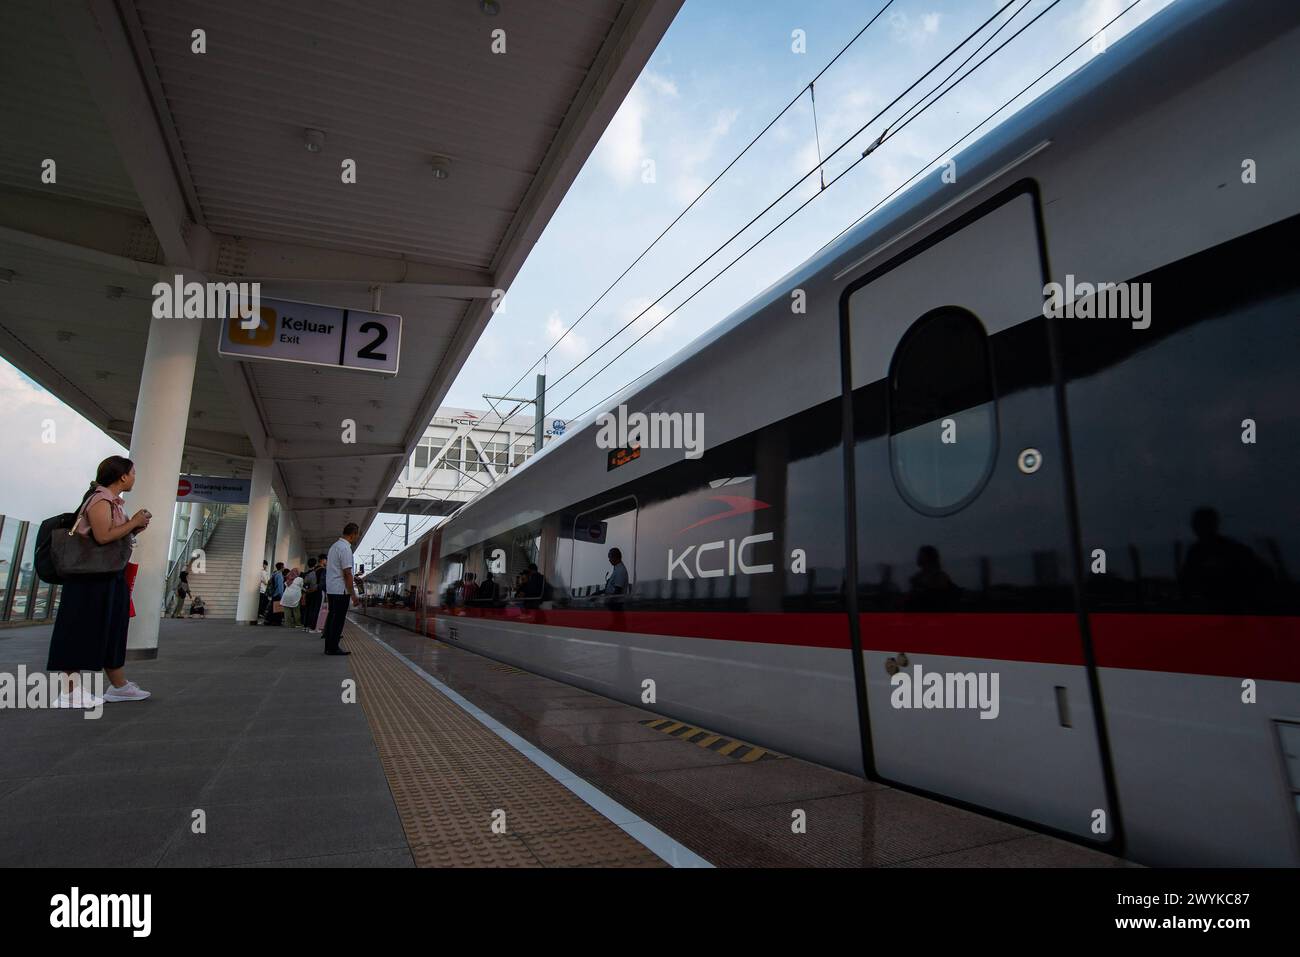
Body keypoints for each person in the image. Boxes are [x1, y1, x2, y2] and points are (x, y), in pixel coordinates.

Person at [46, 455, 153, 706]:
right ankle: (70, 692)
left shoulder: (114, 502)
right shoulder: (99, 499)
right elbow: (103, 536)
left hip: (109, 574)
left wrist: (134, 527)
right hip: (89, 577)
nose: (135, 477)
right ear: (123, 476)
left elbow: (112, 535)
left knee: (113, 627)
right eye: (133, 473)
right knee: (78, 629)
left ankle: (119, 686)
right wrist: (134, 522)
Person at [322, 522, 362, 655]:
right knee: (338, 620)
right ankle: (333, 648)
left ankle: (329, 646)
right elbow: (347, 573)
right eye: (357, 535)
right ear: (353, 534)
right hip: (340, 590)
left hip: (332, 589)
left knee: (332, 617)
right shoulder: (345, 549)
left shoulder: (334, 546)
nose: (357, 538)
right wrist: (353, 595)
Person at [301, 556, 322, 633]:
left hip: (306, 593)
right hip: (313, 593)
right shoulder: (315, 573)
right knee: (312, 610)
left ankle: (305, 626)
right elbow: (315, 584)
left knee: (306, 609)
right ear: (315, 564)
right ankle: (310, 626)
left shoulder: (305, 573)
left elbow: (303, 584)